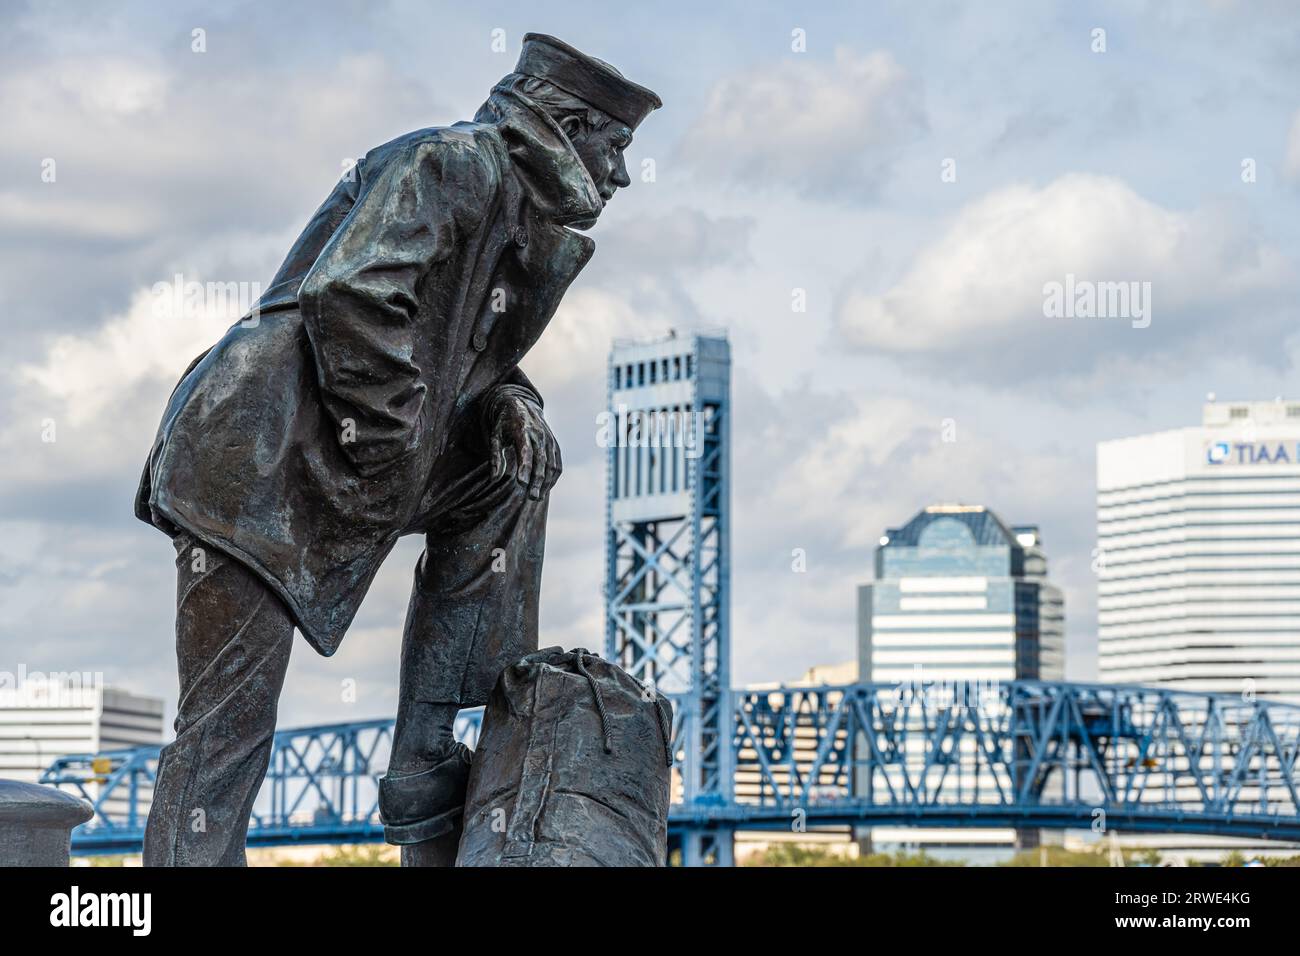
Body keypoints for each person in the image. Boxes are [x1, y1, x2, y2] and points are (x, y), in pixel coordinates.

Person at [134, 33, 661, 865]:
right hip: (255, 460)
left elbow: (468, 356)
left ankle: (425, 752)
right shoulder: (453, 163)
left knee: (512, 470)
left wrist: (513, 403)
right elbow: (352, 294)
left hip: (353, 462)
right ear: (565, 124)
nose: (623, 175)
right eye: (614, 145)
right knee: (226, 732)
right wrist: (391, 447)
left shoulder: (522, 214)